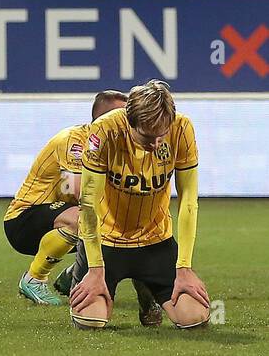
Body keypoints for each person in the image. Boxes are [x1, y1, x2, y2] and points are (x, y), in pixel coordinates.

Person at [69, 80, 210, 329]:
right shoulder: (103, 133)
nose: (156, 144)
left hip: (155, 242)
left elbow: (188, 199)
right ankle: (80, 273)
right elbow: (88, 204)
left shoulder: (182, 128)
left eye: (161, 135)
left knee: (194, 318)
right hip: (106, 244)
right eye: (147, 136)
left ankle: (148, 293)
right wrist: (94, 269)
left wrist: (184, 267)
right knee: (90, 320)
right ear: (129, 121)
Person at [4, 90, 128, 306]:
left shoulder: (115, 147)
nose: (130, 122)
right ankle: (34, 278)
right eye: (124, 117)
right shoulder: (75, 141)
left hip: (58, 217)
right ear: (106, 119)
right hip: (24, 219)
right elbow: (77, 192)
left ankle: (73, 275)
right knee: (86, 219)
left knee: (124, 226)